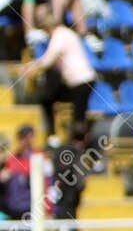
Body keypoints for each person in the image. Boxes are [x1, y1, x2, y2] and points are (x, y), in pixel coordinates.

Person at [19, 8, 95, 137]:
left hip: (80, 82)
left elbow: (48, 60)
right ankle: (63, 136)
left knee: (78, 116)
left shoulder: (60, 35)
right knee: (50, 99)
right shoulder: (67, 33)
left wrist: (30, 68)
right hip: (79, 81)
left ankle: (75, 141)